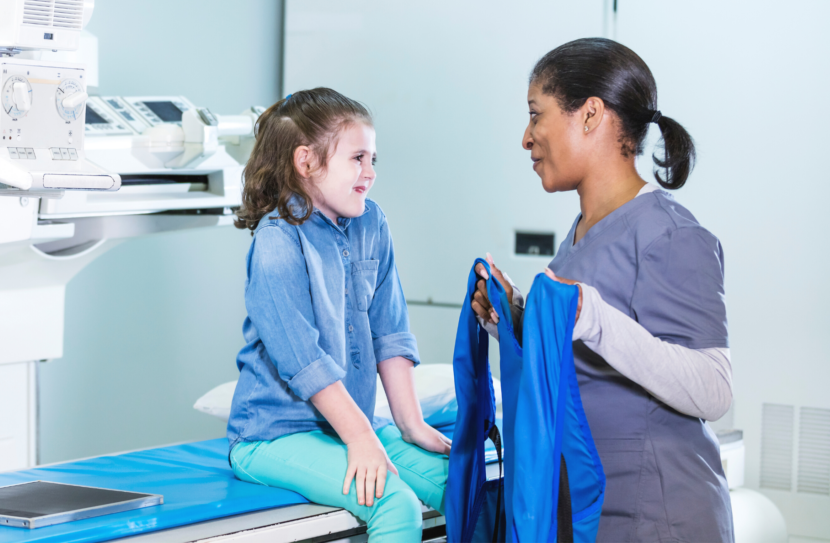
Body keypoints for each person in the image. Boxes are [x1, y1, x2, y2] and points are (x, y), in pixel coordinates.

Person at [471, 38, 734, 542]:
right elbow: (587, 370)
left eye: (536, 115)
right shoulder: (577, 239)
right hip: (594, 515)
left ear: (591, 115)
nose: (526, 138)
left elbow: (713, 388)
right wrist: (517, 323)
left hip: (657, 517)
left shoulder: (669, 233)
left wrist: (592, 317)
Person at [226, 87, 451, 542]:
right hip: (273, 435)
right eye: (357, 159)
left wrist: (409, 424)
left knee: (463, 485)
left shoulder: (372, 224)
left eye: (374, 161)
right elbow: (304, 363)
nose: (370, 174)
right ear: (305, 161)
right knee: (394, 504)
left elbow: (390, 331)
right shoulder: (277, 243)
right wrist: (361, 439)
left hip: (349, 423)